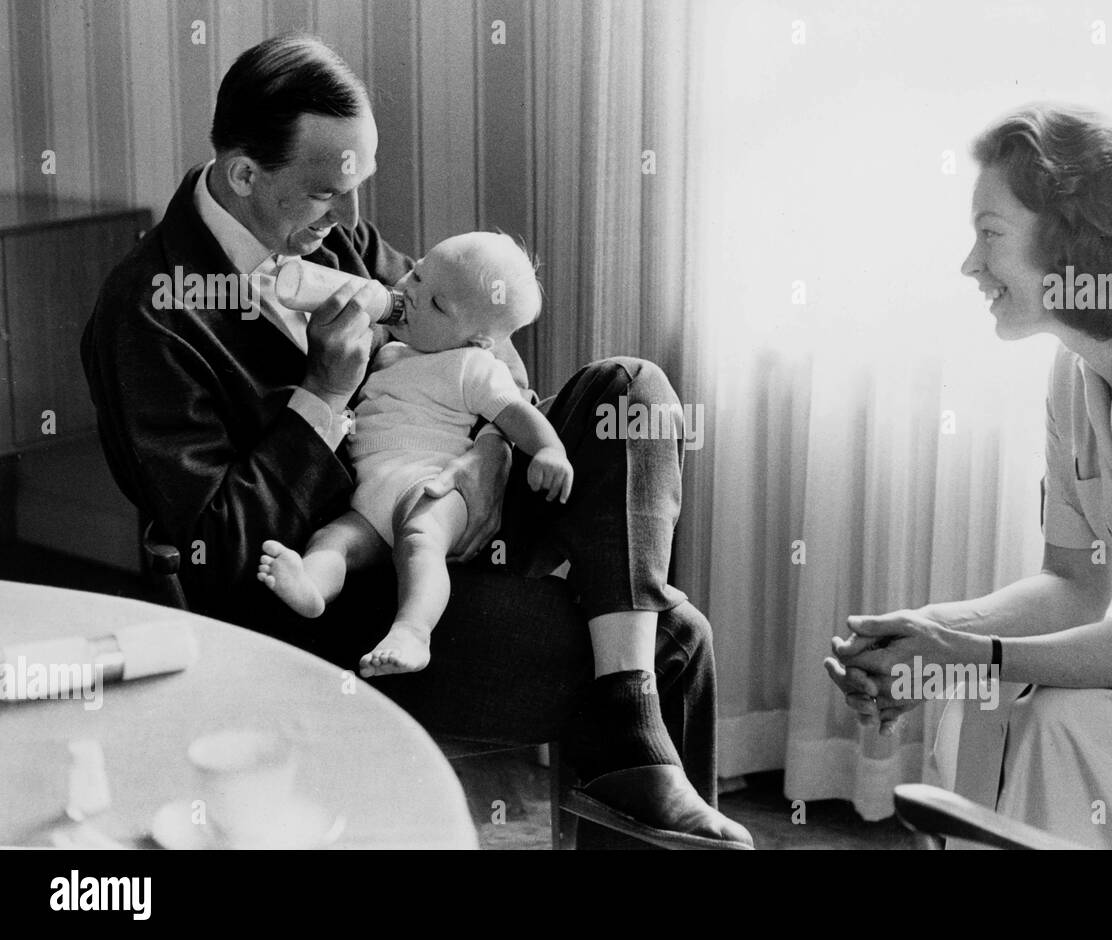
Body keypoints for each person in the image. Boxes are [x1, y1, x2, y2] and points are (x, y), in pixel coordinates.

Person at [81, 34, 752, 850]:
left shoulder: (337, 242)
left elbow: (479, 347)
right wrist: (322, 396)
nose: (354, 225)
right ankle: (633, 743)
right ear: (245, 173)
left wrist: (493, 459)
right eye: (328, 194)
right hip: (328, 600)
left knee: (631, 390)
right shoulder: (148, 316)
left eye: (361, 188)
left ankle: (631, 735)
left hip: (454, 513)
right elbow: (217, 549)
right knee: (675, 642)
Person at [825, 103, 1112, 849]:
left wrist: (958, 653)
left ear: (1070, 245)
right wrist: (925, 635)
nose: (970, 265)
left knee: (1059, 718)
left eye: (990, 235)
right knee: (985, 694)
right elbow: (1076, 584)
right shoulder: (1074, 370)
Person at [258, 231, 575, 679]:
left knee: (420, 541)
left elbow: (516, 414)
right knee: (335, 541)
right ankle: (310, 585)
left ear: (481, 340)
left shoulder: (474, 367)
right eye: (416, 272)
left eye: (438, 305)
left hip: (431, 484)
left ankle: (411, 631)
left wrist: (548, 449)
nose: (409, 292)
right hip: (371, 495)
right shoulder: (388, 355)